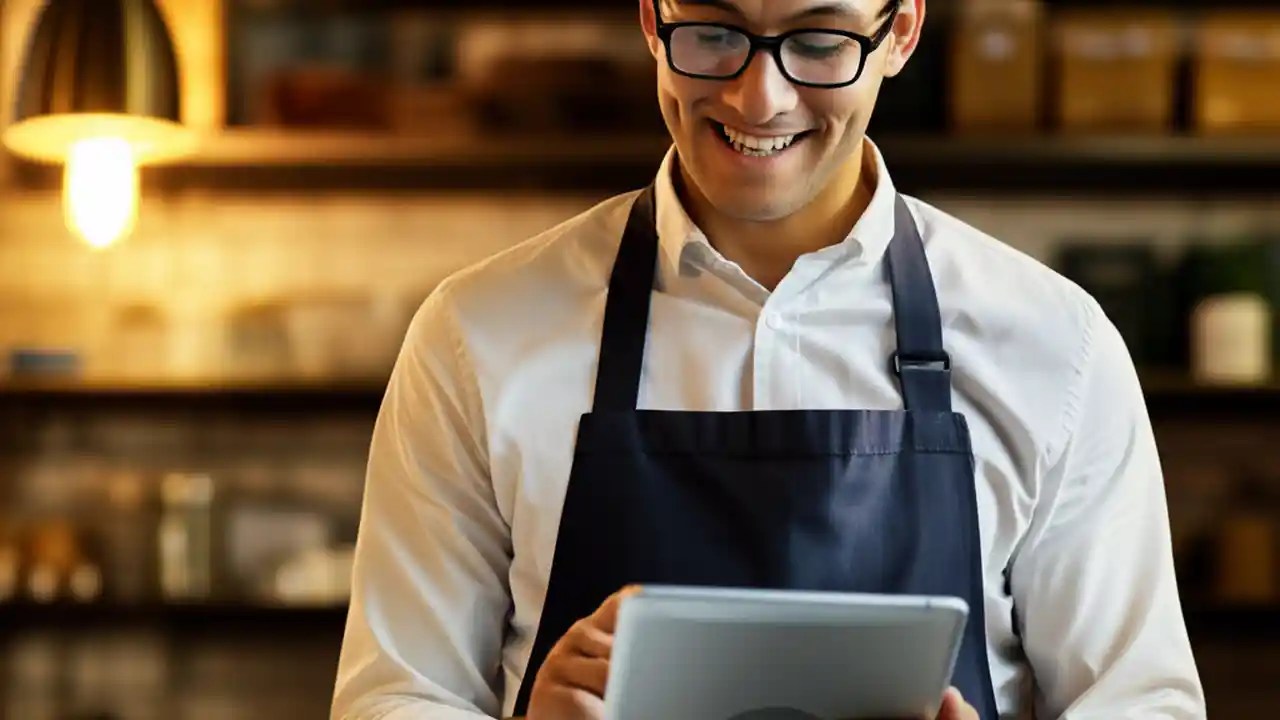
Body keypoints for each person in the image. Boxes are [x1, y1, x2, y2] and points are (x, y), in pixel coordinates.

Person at [331, 0, 1207, 718]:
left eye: (820, 42)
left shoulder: (1057, 345)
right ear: (651, 20)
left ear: (900, 31)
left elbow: (1142, 701)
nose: (760, 100)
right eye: (712, 34)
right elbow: (398, 695)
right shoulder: (476, 333)